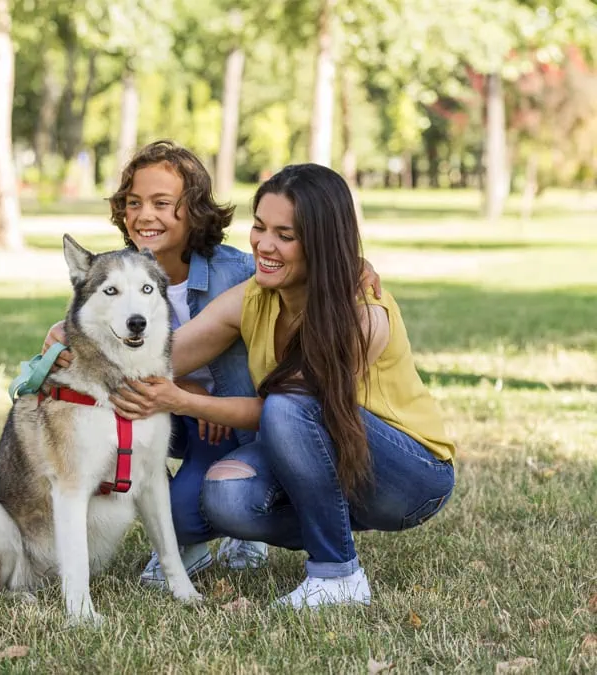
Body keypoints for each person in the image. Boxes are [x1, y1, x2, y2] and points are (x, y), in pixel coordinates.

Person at [107, 163, 456, 609]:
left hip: (409, 474)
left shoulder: (364, 316)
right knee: (225, 496)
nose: (264, 246)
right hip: (330, 459)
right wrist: (70, 343)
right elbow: (161, 358)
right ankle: (325, 529)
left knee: (290, 405)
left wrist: (182, 401)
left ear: (322, 243)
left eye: (285, 236)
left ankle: (337, 576)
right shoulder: (254, 297)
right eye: (259, 228)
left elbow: (292, 410)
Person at [42, 141, 377, 587]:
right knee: (169, 496)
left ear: (194, 210)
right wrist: (62, 340)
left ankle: (254, 517)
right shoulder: (118, 274)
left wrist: (356, 262)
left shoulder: (240, 274)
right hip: (178, 418)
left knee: (204, 503)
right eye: (133, 203)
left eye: (163, 204)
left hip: (240, 426)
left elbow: (307, 268)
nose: (145, 216)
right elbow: (105, 352)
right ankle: (189, 542)